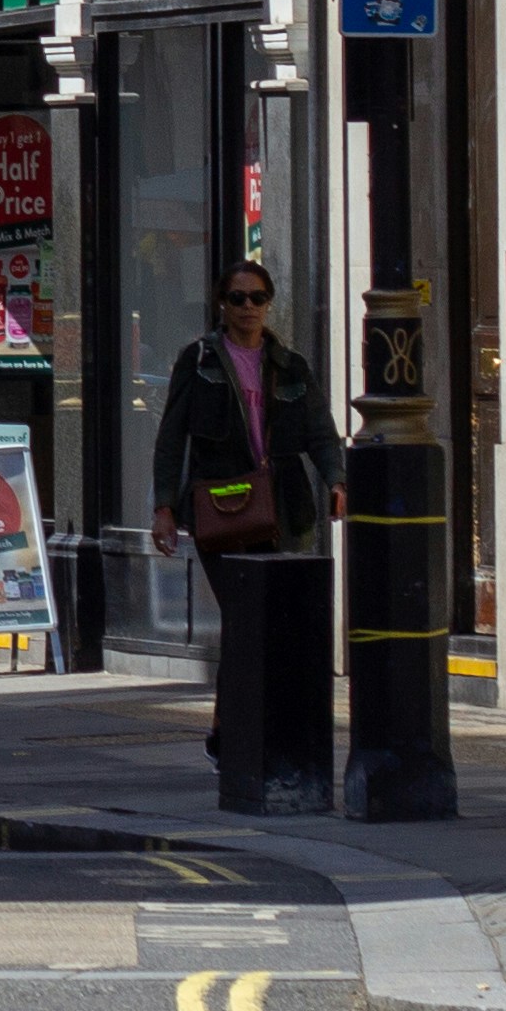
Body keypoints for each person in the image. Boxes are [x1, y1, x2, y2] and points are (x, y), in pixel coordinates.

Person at [151, 253, 349, 764]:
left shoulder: (290, 365)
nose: (247, 307)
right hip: (223, 510)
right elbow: (172, 437)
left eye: (257, 298)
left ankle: (259, 729)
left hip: (281, 509)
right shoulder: (199, 361)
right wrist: (164, 506)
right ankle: (229, 731)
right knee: (243, 620)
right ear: (222, 303)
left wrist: (336, 479)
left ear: (269, 304)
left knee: (277, 622)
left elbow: (320, 430)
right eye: (237, 298)